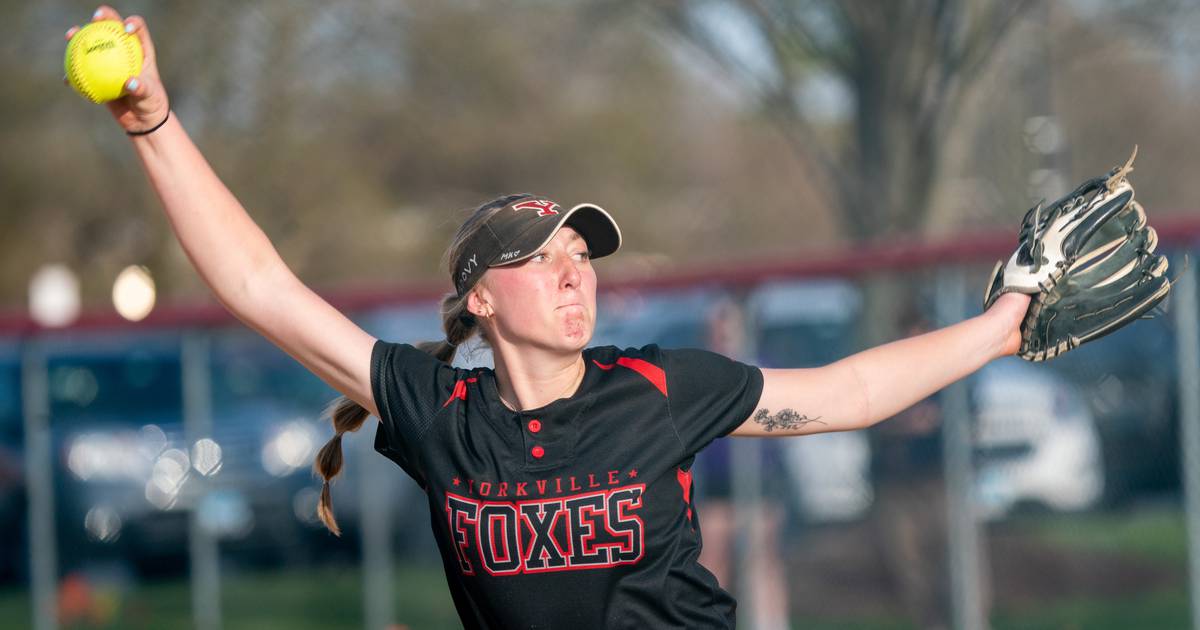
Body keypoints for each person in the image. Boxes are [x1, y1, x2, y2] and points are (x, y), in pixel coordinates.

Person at [66, 7, 1032, 628]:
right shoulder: (441, 417)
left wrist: (999, 327)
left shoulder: (658, 389)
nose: (576, 276)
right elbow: (260, 286)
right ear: (481, 298)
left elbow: (849, 391)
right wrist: (153, 123)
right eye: (543, 260)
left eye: (583, 257)